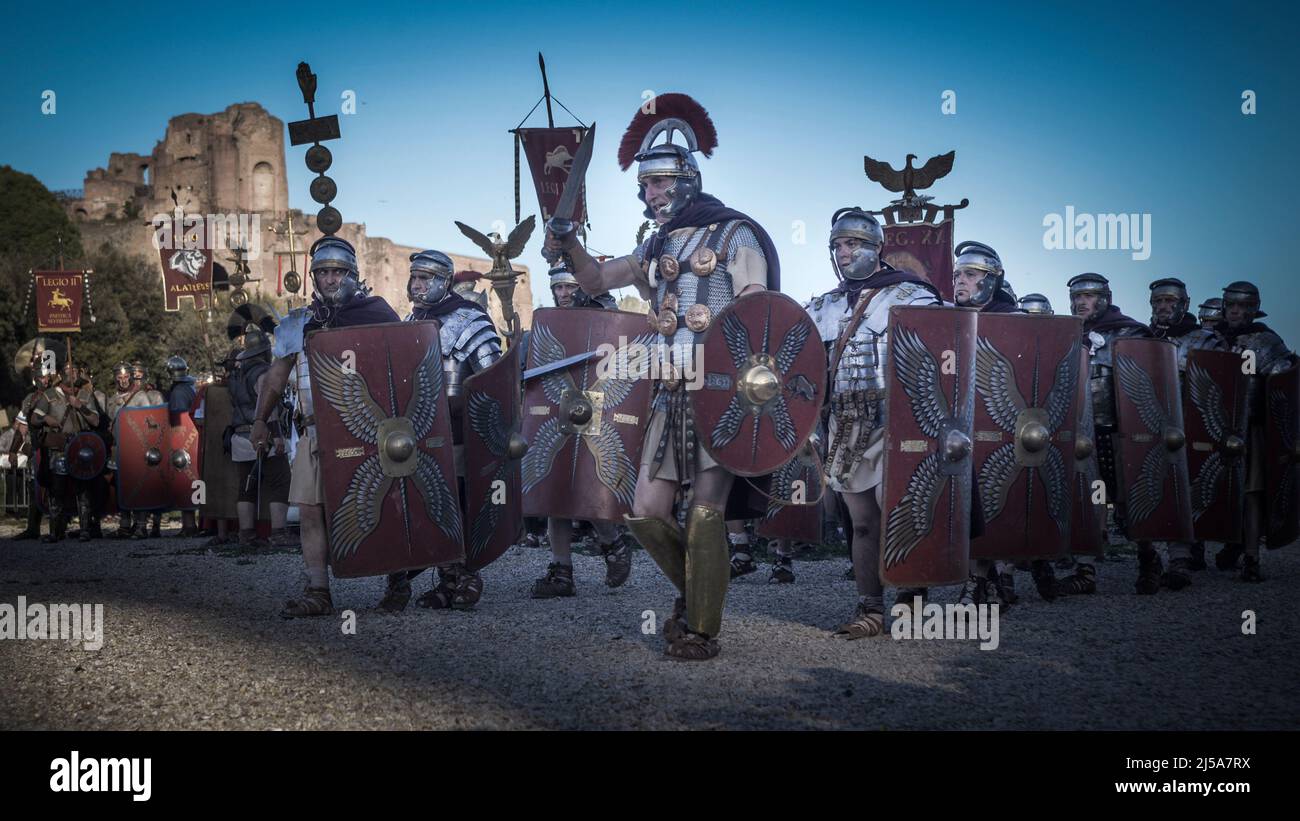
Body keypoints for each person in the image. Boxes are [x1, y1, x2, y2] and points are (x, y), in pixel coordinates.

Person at [545, 93, 782, 660]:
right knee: (646, 511)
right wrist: (569, 244)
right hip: (668, 392)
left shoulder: (733, 235)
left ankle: (701, 627)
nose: (649, 193)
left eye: (657, 183)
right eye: (644, 185)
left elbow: (759, 309)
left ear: (686, 180)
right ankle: (701, 597)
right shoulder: (654, 245)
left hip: (720, 391)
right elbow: (599, 278)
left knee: (705, 512)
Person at [804, 208, 941, 638]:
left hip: (899, 424)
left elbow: (939, 357)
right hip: (847, 423)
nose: (843, 253)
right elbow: (804, 366)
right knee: (861, 520)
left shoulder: (912, 297)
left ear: (877, 248)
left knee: (897, 507)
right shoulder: (823, 306)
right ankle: (871, 606)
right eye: (837, 246)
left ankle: (911, 593)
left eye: (852, 244)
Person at [251, 236, 400, 618]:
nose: (331, 279)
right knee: (312, 510)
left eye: (338, 272)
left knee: (384, 502)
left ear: (352, 274)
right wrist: (260, 421)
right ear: (314, 278)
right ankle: (318, 589)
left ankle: (397, 578)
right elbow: (276, 378)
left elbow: (401, 368)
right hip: (316, 431)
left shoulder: (378, 314)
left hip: (371, 431)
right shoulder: (297, 323)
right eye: (323, 273)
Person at [377, 248, 501, 611]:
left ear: (445, 282)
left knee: (452, 506)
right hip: (414, 436)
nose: (417, 285)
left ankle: (461, 576)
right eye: (414, 277)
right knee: (418, 504)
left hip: (457, 433)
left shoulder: (470, 320)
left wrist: (461, 406)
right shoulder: (407, 322)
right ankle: (425, 579)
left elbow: (491, 380)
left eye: (425, 278)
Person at [950, 241, 1059, 603]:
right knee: (966, 507)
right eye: (956, 275)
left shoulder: (1016, 324)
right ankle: (984, 581)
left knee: (1001, 506)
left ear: (992, 280)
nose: (960, 281)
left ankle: (991, 578)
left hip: (1008, 433)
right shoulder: (949, 320)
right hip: (961, 431)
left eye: (970, 274)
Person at [530, 259, 634, 599]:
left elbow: (625, 366)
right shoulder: (553, 321)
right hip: (561, 409)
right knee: (554, 488)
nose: (562, 294)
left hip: (600, 411)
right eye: (557, 287)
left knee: (589, 487)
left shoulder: (608, 318)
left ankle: (613, 544)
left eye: (569, 287)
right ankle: (562, 572)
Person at [1058, 273, 1157, 594]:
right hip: (1083, 434)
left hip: (1122, 432)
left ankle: (1148, 558)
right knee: (1087, 499)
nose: (1080, 302)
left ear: (1105, 298)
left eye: (1088, 296)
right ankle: (1085, 571)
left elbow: (1146, 385)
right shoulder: (1068, 335)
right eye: (1076, 297)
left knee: (1132, 499)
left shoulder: (1130, 334)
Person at [1210, 282, 1295, 581]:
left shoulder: (1266, 340)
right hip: (1213, 427)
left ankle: (1251, 557)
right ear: (1224, 306)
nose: (1236, 311)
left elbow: (1283, 380)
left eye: (1244, 307)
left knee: (1251, 493)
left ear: (1254, 309)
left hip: (1251, 427)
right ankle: (1218, 547)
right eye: (1232, 305)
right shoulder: (1210, 338)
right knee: (1213, 488)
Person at [228, 331, 294, 549]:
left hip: (239, 435)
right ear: (264, 350)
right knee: (280, 480)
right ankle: (278, 534)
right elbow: (268, 406)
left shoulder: (236, 375)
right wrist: (277, 436)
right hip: (261, 436)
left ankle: (246, 535)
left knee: (246, 486)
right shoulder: (262, 373)